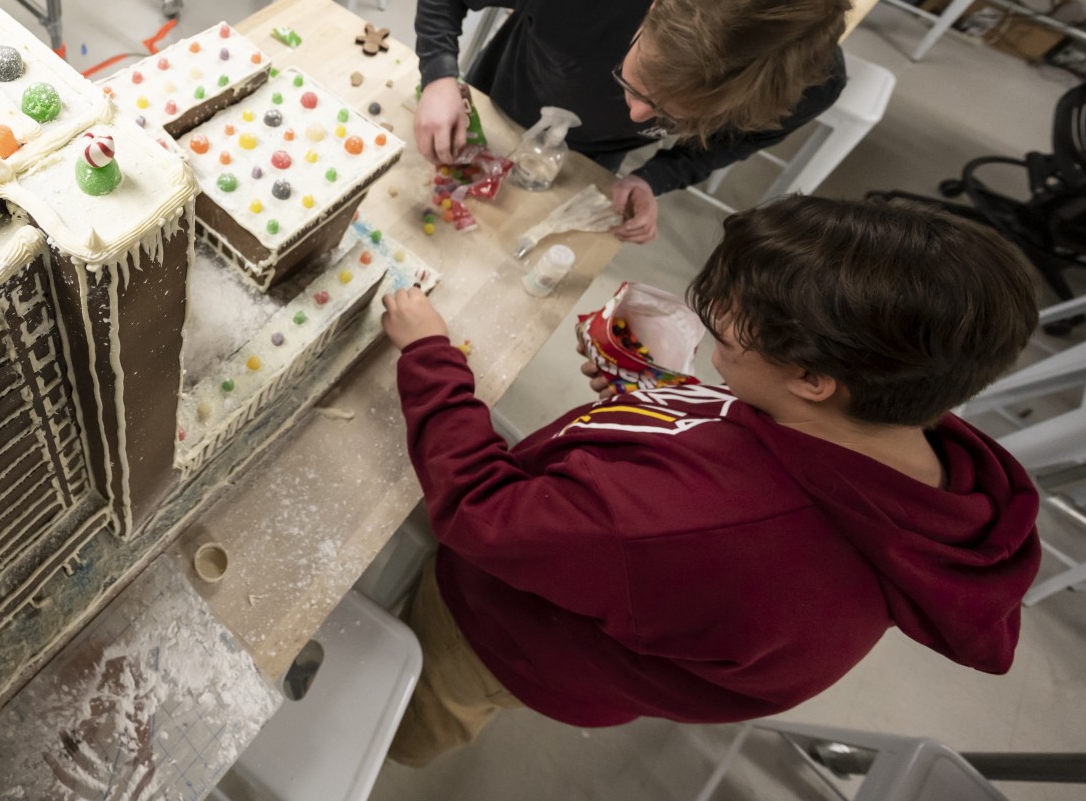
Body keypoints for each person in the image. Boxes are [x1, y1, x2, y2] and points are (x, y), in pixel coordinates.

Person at [377, 195, 1042, 766]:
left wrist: (429, 356)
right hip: (586, 584)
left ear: (812, 379)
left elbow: (479, 508)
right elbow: (747, 440)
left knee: (410, 702)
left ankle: (381, 740)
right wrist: (659, 395)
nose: (715, 342)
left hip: (496, 640)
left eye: (726, 336)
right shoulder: (897, 433)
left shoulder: (703, 530)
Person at [413, 0, 852, 243]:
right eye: (633, 84)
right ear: (658, 2)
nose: (638, 114)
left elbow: (745, 139)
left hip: (592, 158)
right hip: (505, 93)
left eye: (671, 116)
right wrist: (438, 77)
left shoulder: (808, 83)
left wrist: (653, 176)